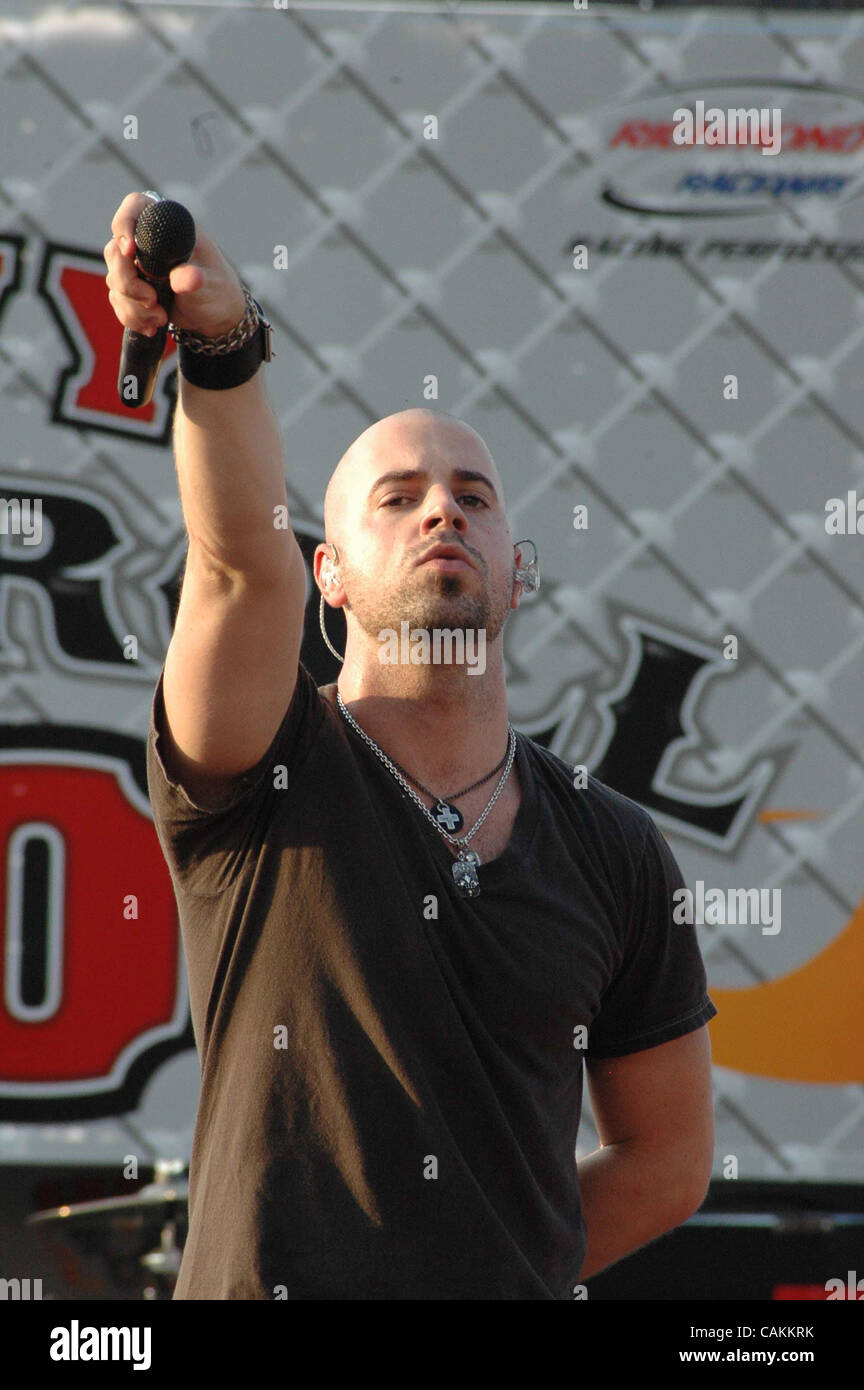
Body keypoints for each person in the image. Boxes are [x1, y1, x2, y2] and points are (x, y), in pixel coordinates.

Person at [104, 191, 717, 1301]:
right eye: (399, 497)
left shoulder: (617, 849)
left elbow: (669, 1161)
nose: (445, 513)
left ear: (517, 568)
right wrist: (224, 345)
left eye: (474, 497)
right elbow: (241, 561)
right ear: (330, 574)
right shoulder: (264, 768)